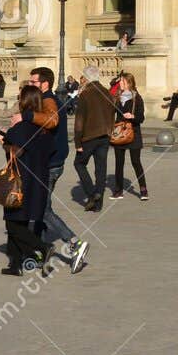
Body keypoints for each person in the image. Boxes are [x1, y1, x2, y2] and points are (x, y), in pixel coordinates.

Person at [27, 67, 89, 274]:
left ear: (45, 84)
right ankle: (40, 251)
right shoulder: (48, 101)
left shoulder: (48, 102)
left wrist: (26, 116)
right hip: (53, 162)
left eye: (34, 82)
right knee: (39, 208)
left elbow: (50, 121)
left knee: (42, 210)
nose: (30, 85)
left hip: (49, 165)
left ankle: (75, 244)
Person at [0, 84, 54, 276]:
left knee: (12, 223)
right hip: (38, 182)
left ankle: (43, 248)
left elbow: (14, 154)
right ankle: (15, 265)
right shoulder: (45, 130)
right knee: (18, 222)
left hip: (20, 182)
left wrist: (3, 140)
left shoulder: (20, 128)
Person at [72, 66, 117, 212]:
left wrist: (78, 141)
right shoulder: (107, 92)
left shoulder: (86, 94)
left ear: (86, 78)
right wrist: (109, 131)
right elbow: (112, 115)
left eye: (83, 78)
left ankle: (92, 194)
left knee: (79, 163)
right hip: (105, 135)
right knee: (101, 168)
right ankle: (98, 204)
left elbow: (79, 120)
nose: (83, 80)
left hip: (89, 136)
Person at [112, 73, 148, 202]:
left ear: (128, 83)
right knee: (119, 163)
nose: (120, 83)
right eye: (120, 81)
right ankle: (118, 190)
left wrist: (132, 117)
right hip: (119, 133)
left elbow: (141, 118)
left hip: (133, 132)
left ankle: (143, 189)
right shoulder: (117, 96)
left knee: (136, 162)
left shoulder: (136, 98)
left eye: (122, 81)